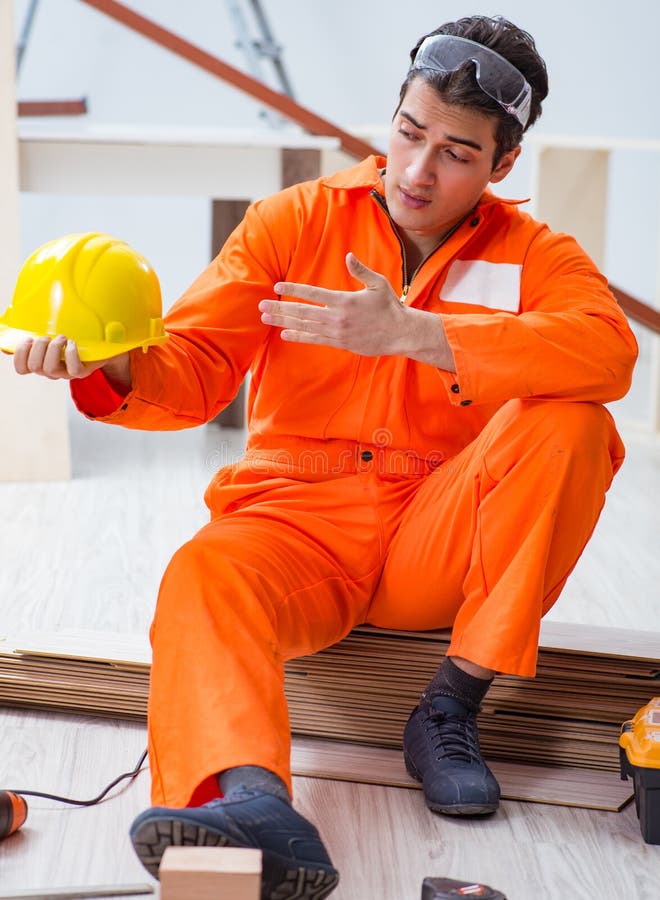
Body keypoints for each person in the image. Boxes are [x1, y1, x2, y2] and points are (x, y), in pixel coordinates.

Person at [12, 14, 637, 900]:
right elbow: (193, 370)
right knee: (201, 576)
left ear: (502, 166)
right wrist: (112, 363)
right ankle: (247, 811)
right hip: (298, 523)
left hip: (436, 536)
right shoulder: (295, 223)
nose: (420, 170)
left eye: (457, 153)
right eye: (410, 133)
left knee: (572, 422)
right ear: (392, 117)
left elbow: (608, 356)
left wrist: (418, 334)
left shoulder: (537, 256)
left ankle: (449, 707)